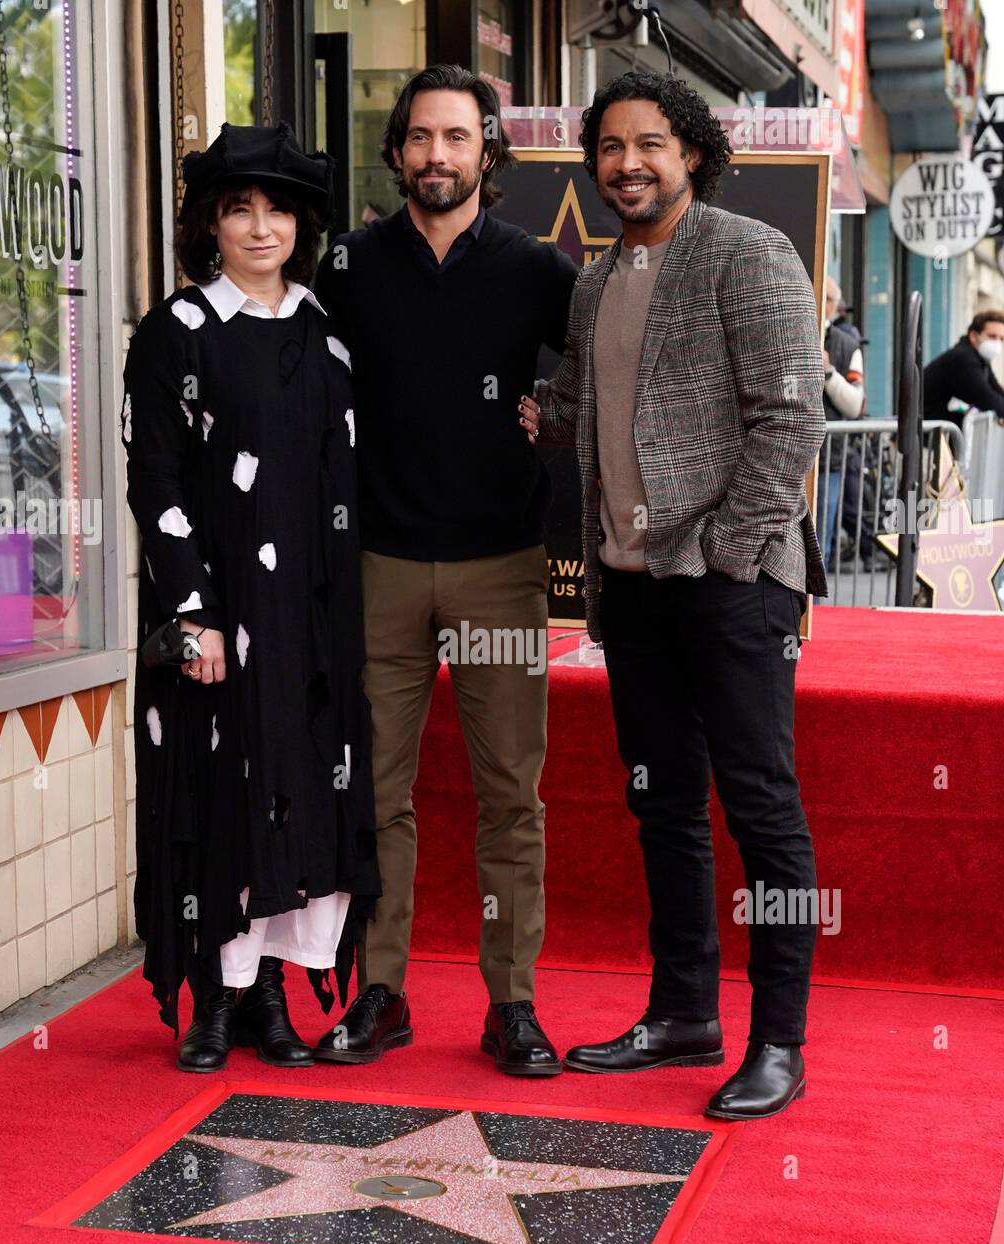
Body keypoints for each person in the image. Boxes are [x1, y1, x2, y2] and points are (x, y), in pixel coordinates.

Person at [520, 71, 828, 1120]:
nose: (627, 165)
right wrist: (533, 412)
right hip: (633, 587)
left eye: (649, 144)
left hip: (731, 587)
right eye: (608, 148)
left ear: (691, 152)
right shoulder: (595, 283)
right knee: (662, 804)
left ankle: (777, 1039)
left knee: (761, 809)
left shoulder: (747, 253)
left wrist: (733, 552)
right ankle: (683, 1010)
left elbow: (790, 419)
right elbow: (588, 410)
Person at [312, 64, 577, 1075]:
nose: (436, 154)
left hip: (501, 570)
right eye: (420, 137)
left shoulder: (534, 270)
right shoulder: (345, 268)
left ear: (487, 155)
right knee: (375, 792)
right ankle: (381, 991)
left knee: (512, 796)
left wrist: (553, 415)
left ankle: (511, 1001)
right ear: (395, 152)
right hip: (375, 564)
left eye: (456, 138)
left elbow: (608, 369)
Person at [123, 122, 380, 1072]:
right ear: (211, 225)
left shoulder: (328, 339)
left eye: (278, 209)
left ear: (301, 224)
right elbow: (155, 480)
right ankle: (214, 1004)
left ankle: (271, 997)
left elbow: (345, 486)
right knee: (216, 795)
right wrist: (192, 613)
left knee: (301, 795)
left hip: (308, 623)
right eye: (240, 209)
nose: (261, 227)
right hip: (219, 619)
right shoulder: (174, 334)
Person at [819, 277, 866, 572]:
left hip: (827, 460)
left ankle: (816, 616)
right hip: (779, 457)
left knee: (819, 542)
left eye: (826, 299)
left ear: (834, 306)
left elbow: (856, 406)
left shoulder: (847, 346)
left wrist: (829, 373)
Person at [924, 310, 1004, 425]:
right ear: (973, 336)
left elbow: (997, 391)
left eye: (1001, 339)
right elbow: (985, 398)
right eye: (992, 336)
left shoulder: (980, 360)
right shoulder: (962, 359)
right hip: (926, 436)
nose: (997, 343)